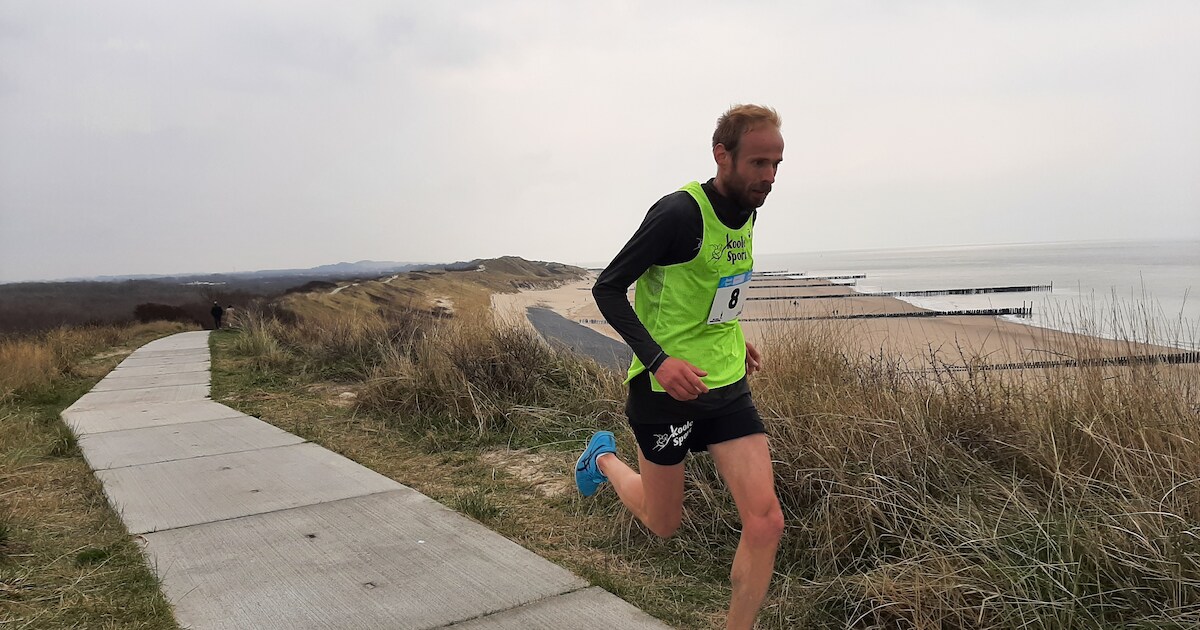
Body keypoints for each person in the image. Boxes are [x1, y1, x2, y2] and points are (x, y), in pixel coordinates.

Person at [577, 104, 786, 630]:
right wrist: (659, 361)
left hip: (727, 386)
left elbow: (716, 285)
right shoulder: (678, 214)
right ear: (723, 155)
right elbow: (608, 288)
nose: (770, 176)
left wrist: (736, 335)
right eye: (759, 162)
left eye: (777, 163)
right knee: (662, 522)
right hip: (663, 391)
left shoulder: (749, 211)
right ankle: (600, 459)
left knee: (766, 521)